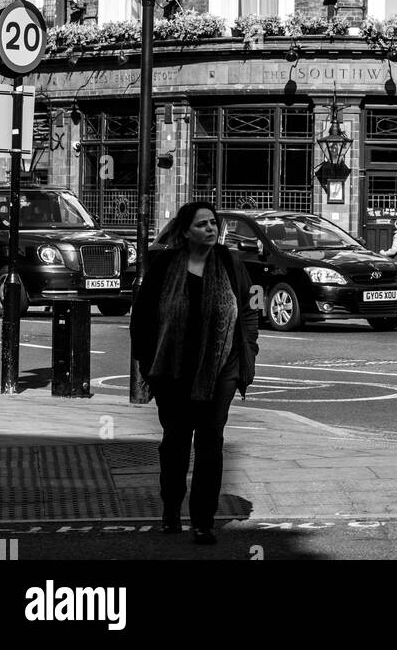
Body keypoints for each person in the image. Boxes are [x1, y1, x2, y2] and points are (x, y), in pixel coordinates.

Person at [130, 201, 259, 544]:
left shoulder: (231, 263)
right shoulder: (164, 265)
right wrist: (147, 363)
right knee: (175, 443)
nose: (211, 229)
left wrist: (249, 355)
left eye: (213, 224)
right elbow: (141, 318)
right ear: (185, 231)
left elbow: (247, 311)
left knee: (210, 444)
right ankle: (171, 508)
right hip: (172, 373)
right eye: (202, 224)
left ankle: (203, 519)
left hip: (220, 372)